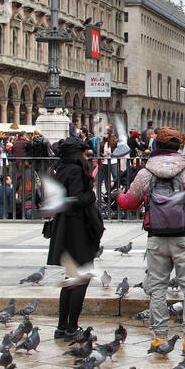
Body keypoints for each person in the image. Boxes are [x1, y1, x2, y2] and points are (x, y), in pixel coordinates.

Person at [116, 126, 185, 352]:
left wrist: (119, 196)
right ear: (179, 146)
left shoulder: (146, 171)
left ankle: (160, 337)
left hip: (156, 237)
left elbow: (130, 203)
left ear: (157, 146)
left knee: (157, 287)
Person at [46, 137, 104, 340]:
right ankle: (72, 329)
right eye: (83, 153)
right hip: (78, 227)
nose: (85, 156)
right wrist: (92, 196)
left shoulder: (60, 170)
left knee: (70, 278)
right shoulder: (76, 171)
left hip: (64, 227)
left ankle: (62, 327)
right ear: (76, 154)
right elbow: (77, 199)